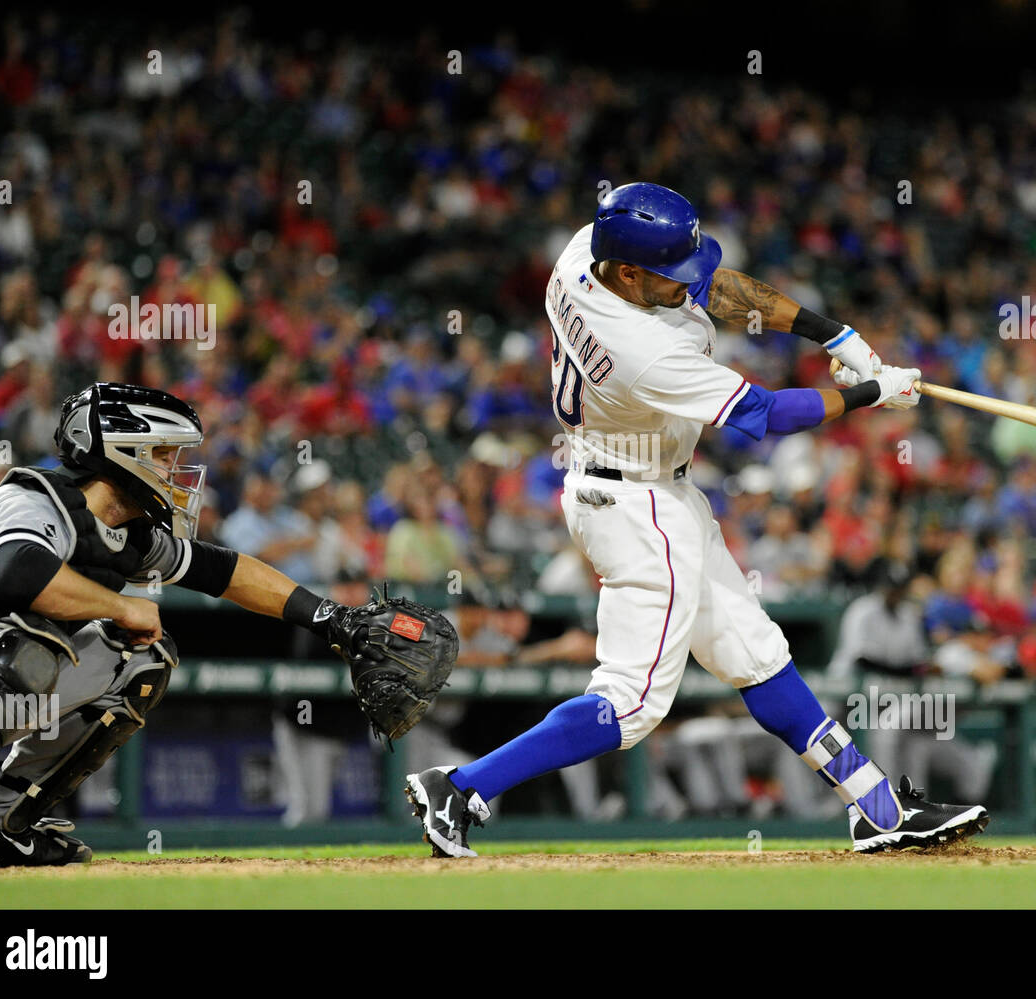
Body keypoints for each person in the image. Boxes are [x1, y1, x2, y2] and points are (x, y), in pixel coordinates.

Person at [405, 182, 989, 856]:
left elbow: (720, 285)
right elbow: (765, 416)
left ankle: (877, 807)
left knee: (755, 651)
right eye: (668, 275)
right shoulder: (640, 351)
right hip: (635, 505)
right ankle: (463, 787)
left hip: (645, 485)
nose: (688, 284)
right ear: (628, 272)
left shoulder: (580, 255)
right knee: (629, 703)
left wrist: (835, 334)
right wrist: (871, 391)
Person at [0, 383, 384, 866]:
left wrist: (329, 617)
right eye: (162, 454)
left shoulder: (126, 534)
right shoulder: (28, 500)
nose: (175, 470)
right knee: (28, 658)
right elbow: (19, 575)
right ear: (121, 450)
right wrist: (121, 607)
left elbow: (225, 571)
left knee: (140, 659)